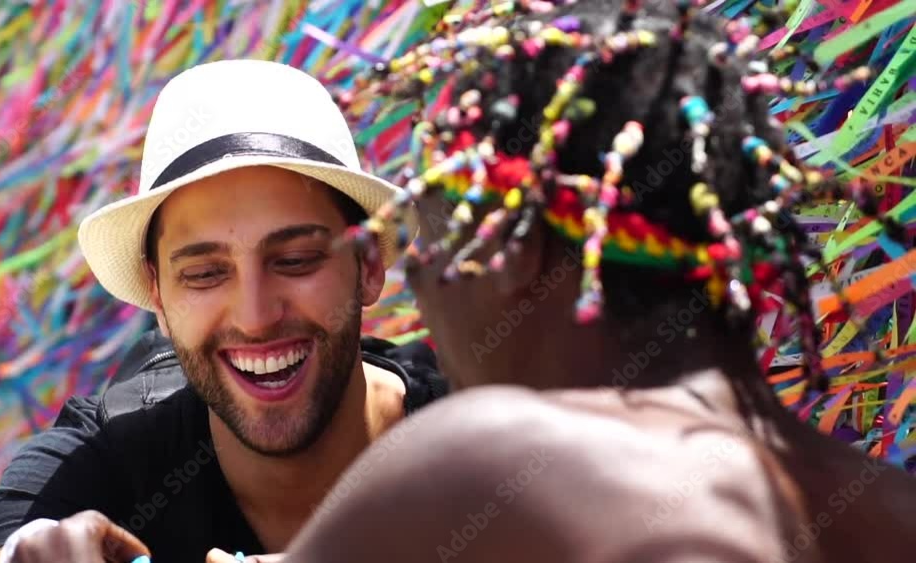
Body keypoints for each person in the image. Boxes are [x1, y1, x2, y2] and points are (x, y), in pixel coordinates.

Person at [215, 2, 914, 562]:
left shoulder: (485, 457)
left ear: (515, 249)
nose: (418, 276)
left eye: (427, 226)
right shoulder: (891, 510)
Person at [0, 59, 447, 563]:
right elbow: (23, 543)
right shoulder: (98, 462)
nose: (254, 317)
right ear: (156, 293)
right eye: (205, 274)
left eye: (294, 260)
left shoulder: (477, 435)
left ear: (370, 265)